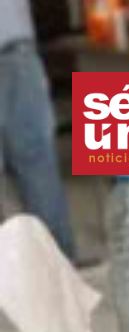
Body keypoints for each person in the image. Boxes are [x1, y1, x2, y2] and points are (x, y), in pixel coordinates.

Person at [0, 0, 78, 262]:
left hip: (16, 49)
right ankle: (60, 264)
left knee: (37, 163)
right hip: (14, 47)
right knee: (37, 163)